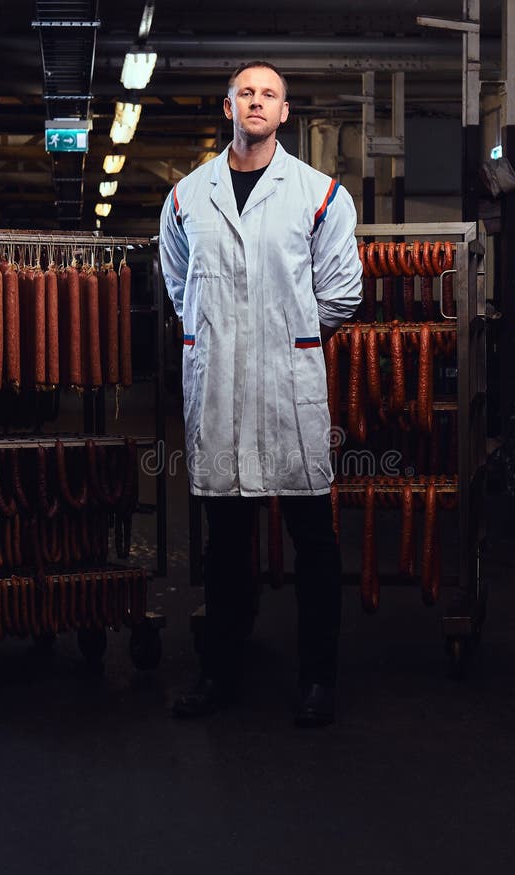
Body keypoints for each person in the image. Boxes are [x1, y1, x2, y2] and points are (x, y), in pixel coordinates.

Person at [159, 61, 362, 726]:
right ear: (227, 109)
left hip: (287, 389)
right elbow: (179, 286)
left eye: (267, 94)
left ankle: (319, 681)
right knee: (224, 544)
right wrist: (222, 341)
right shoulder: (187, 197)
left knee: (314, 541)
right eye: (244, 92)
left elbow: (340, 292)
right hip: (218, 389)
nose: (255, 101)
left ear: (283, 114)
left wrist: (291, 340)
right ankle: (219, 676)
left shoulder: (319, 194)